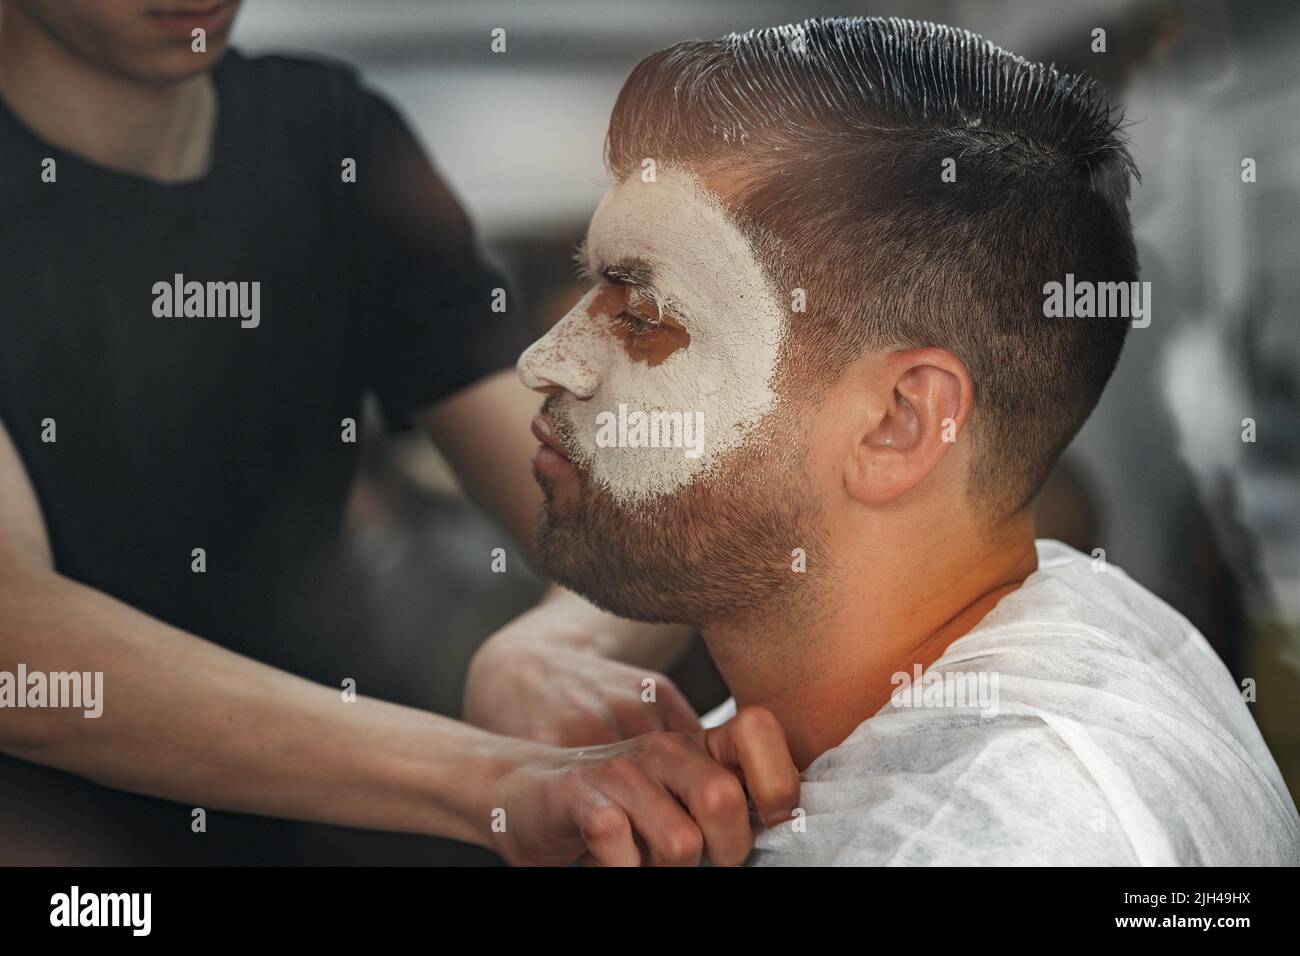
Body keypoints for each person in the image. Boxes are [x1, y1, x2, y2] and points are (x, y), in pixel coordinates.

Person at [0, 0, 800, 866]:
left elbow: (639, 500)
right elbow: (19, 639)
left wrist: (554, 644)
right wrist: (497, 780)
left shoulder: (328, 138)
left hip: (323, 815)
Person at [517, 16, 1300, 865]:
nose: (543, 360)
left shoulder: (1015, 837)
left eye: (643, 317)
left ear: (900, 423)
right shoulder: (1076, 621)